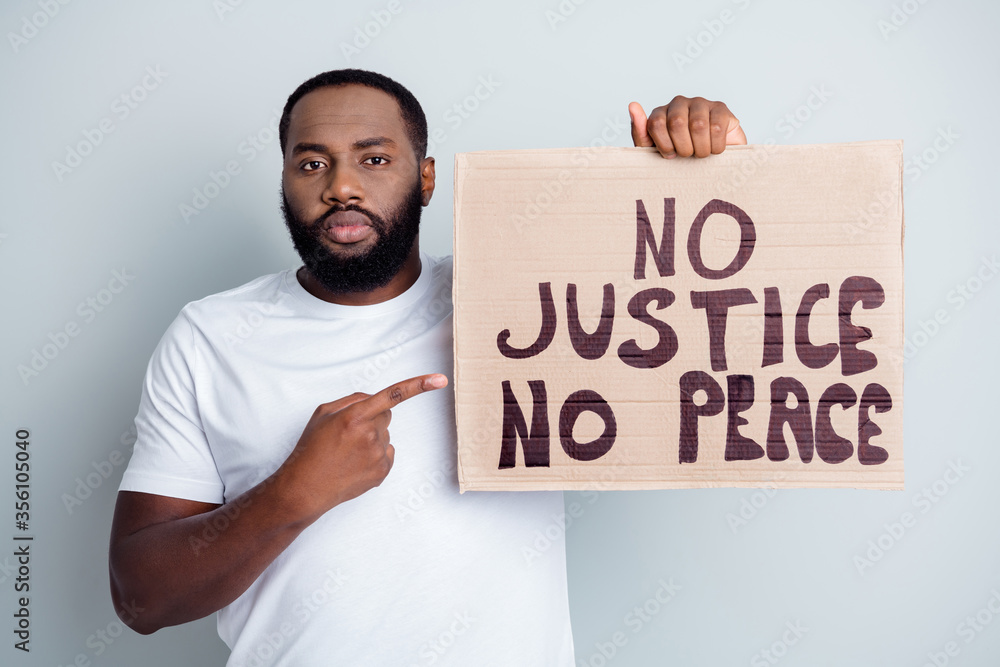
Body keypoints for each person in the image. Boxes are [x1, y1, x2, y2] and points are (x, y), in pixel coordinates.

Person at [109, 68, 746, 665]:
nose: (341, 186)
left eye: (375, 158)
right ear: (284, 182)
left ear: (427, 178)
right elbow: (140, 597)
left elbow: (715, 342)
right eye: (311, 164)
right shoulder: (210, 336)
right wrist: (293, 493)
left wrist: (720, 178)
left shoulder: (528, 307)